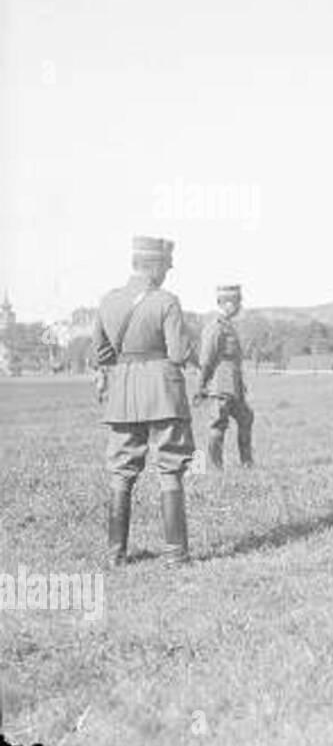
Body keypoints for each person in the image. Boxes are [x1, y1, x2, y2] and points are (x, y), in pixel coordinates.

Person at [91, 236, 194, 566]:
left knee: (121, 471)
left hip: (122, 394)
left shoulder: (108, 301)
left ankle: (114, 554)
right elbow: (178, 354)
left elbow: (103, 354)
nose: (168, 272)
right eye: (166, 266)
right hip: (163, 392)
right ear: (154, 266)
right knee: (171, 468)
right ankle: (175, 553)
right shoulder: (167, 301)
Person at [197, 284, 254, 470]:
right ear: (228, 303)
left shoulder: (228, 325)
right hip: (219, 385)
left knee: (246, 417)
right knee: (218, 424)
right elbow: (206, 359)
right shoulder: (216, 326)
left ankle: (247, 463)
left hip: (233, 385)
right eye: (238, 302)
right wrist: (201, 385)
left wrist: (240, 383)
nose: (240, 306)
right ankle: (215, 467)